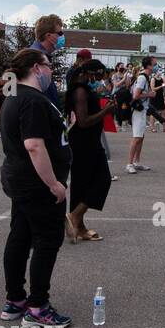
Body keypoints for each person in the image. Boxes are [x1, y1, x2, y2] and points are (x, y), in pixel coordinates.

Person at [0, 48, 72, 327]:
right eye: (48, 65)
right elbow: (33, 145)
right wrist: (53, 184)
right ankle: (38, 306)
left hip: (22, 182)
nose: (51, 70)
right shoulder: (30, 100)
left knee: (20, 236)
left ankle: (15, 299)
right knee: (46, 240)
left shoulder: (16, 96)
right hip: (37, 185)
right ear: (35, 68)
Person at [64, 59, 113, 242]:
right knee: (103, 180)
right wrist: (105, 112)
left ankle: (79, 227)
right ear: (89, 73)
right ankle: (75, 216)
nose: (99, 79)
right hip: (84, 143)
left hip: (88, 141)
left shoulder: (84, 89)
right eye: (98, 75)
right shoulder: (79, 90)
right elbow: (83, 122)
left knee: (81, 184)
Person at [127, 56, 156, 174]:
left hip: (142, 109)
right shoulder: (142, 78)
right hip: (138, 110)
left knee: (141, 136)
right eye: (154, 64)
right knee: (137, 137)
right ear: (148, 65)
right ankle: (129, 163)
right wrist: (149, 94)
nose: (156, 66)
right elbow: (136, 95)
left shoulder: (145, 77)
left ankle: (136, 161)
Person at [29, 14, 66, 107]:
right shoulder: (35, 59)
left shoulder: (37, 55)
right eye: (60, 33)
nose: (62, 37)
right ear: (49, 36)